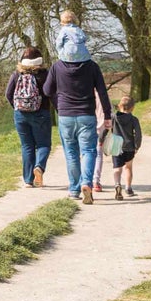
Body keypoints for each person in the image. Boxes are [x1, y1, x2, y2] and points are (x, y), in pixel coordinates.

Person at [44, 53, 112, 204]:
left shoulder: (57, 66)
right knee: (88, 151)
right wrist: (107, 114)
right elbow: (102, 92)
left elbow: (47, 90)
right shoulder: (92, 66)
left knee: (71, 153)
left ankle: (74, 189)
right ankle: (86, 183)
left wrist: (59, 103)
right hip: (86, 115)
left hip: (66, 116)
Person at [5, 47, 51, 188]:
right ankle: (39, 167)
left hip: (20, 115)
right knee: (43, 144)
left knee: (27, 146)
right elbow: (50, 92)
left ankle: (28, 180)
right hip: (41, 114)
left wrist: (18, 108)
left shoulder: (16, 74)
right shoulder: (44, 75)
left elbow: (8, 94)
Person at [110, 95, 143, 200]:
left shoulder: (114, 118)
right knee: (128, 167)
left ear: (119, 106)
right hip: (129, 146)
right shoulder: (134, 119)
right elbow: (138, 134)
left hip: (116, 146)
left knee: (117, 168)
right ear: (132, 107)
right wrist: (137, 146)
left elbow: (107, 129)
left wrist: (101, 140)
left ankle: (117, 184)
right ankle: (128, 188)